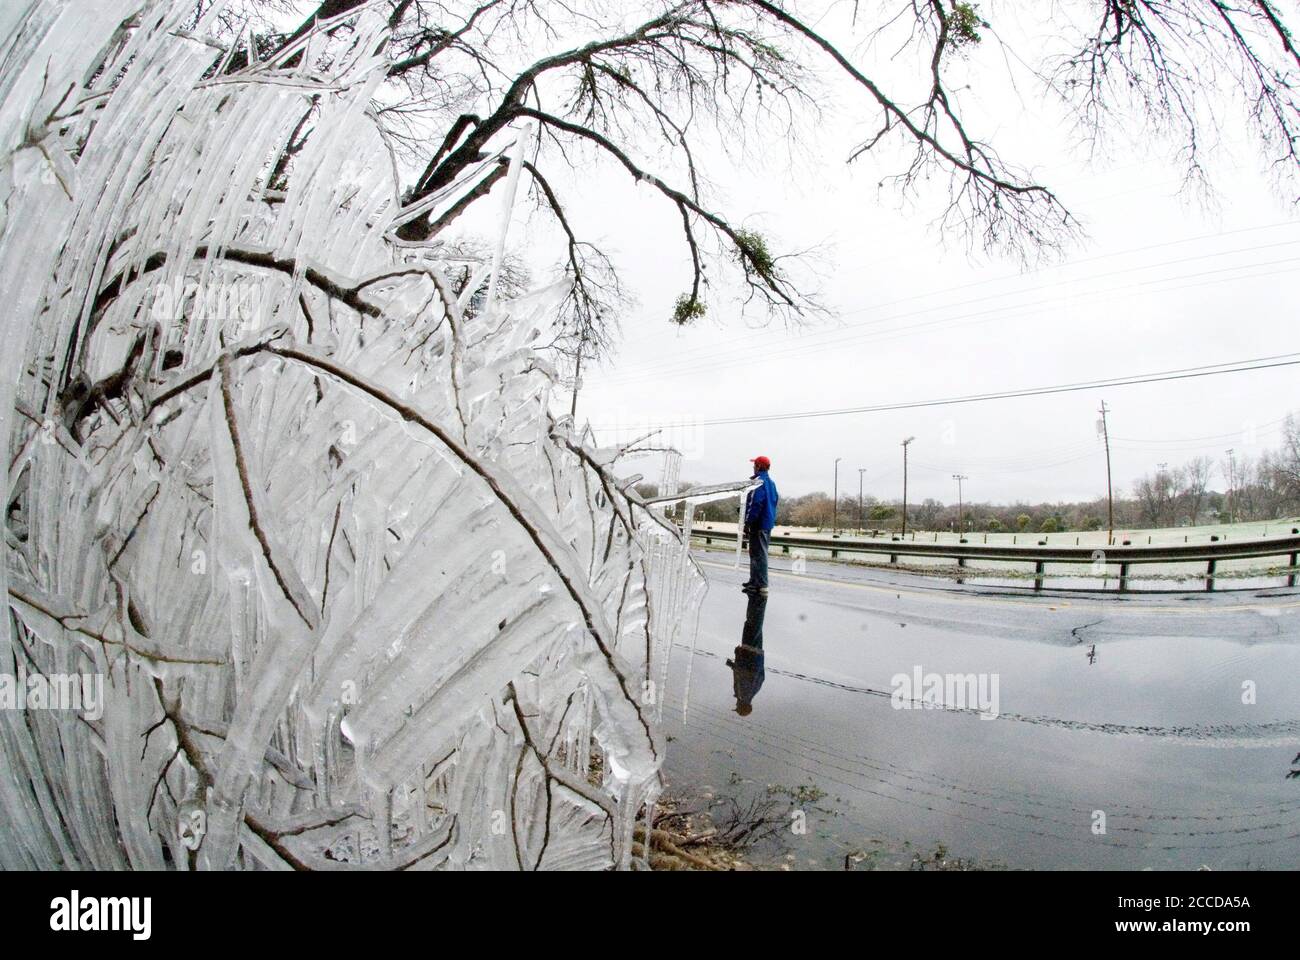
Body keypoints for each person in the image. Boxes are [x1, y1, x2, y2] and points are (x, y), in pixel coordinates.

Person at [741, 455, 778, 595]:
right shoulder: (771, 483)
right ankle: (754, 581)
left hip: (759, 523)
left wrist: (748, 522)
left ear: (759, 467)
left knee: (759, 554)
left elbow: (756, 504)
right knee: (756, 553)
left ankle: (761, 584)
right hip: (767, 522)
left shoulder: (758, 483)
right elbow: (774, 502)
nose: (753, 467)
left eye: (754, 465)